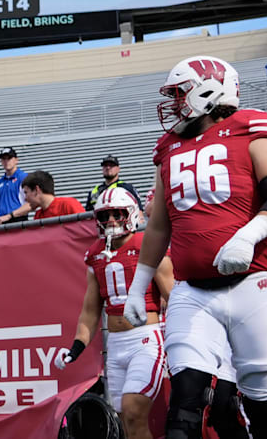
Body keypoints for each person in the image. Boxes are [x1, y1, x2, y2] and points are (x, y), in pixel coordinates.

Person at [125, 55, 267, 439]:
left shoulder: (249, 128)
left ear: (208, 90)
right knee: (184, 400)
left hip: (252, 285)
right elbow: (158, 226)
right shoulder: (168, 147)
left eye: (179, 93)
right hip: (192, 292)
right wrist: (139, 286)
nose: (173, 104)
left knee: (265, 409)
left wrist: (248, 235)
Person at [56, 187, 173, 438]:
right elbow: (90, 310)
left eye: (117, 213)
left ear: (131, 214)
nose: (110, 220)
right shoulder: (96, 254)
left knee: (133, 410)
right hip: (117, 345)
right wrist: (75, 347)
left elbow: (173, 296)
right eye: (105, 215)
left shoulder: (148, 245)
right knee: (124, 421)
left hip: (146, 340)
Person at [6, 171, 84, 221]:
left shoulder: (68, 205)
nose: (25, 198)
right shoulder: (38, 215)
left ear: (37, 190)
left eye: (26, 193)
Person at [0, 147, 27, 225]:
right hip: (2, 223)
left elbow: (31, 204)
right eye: (4, 159)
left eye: (9, 158)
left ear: (16, 160)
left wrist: (9, 216)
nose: (6, 161)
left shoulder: (24, 178)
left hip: (19, 221)